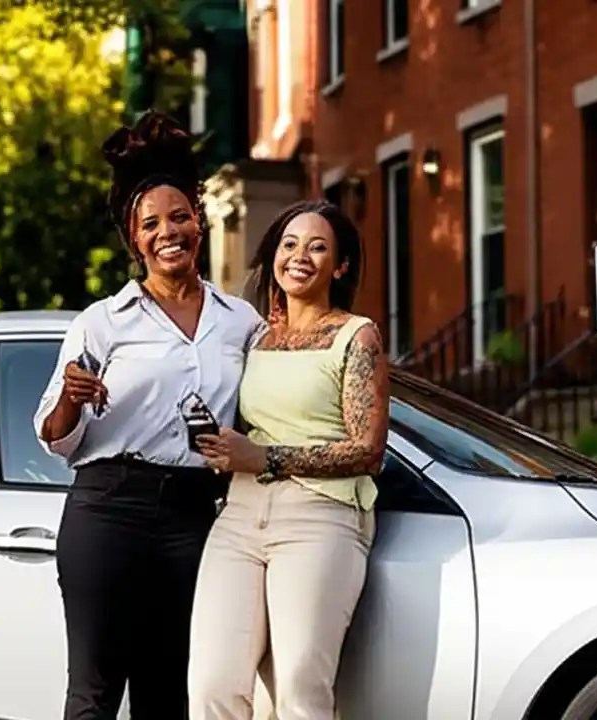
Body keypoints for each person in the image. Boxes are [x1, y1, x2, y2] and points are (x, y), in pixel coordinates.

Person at [33, 110, 263, 720]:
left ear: (200, 222)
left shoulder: (239, 321)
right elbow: (56, 437)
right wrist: (71, 398)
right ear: (135, 239)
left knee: (170, 694)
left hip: (194, 515)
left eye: (180, 217)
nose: (170, 232)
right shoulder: (103, 322)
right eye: (152, 223)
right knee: (95, 693)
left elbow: (268, 406)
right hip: (109, 509)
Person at [187, 200, 391, 720]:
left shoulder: (356, 335)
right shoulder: (259, 338)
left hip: (320, 517)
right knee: (212, 685)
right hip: (239, 515)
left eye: (318, 246)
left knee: (299, 690)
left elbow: (368, 451)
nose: (300, 256)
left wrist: (264, 456)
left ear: (339, 266)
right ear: (274, 255)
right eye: (290, 244)